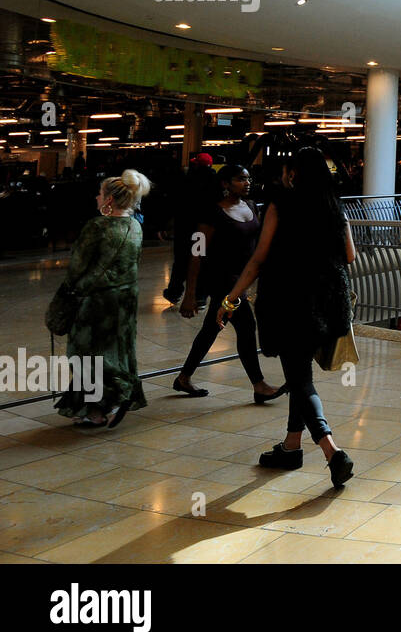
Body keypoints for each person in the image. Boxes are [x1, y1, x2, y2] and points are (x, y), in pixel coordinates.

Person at [218, 147, 357, 489]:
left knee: (299, 379)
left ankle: (332, 451)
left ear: (293, 174)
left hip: (289, 301)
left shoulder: (280, 206)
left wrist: (230, 299)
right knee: (300, 373)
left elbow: (258, 259)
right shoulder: (334, 208)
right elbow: (350, 256)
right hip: (327, 304)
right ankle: (291, 447)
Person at [174, 165, 286, 403]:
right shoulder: (212, 212)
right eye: (240, 179)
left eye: (248, 179)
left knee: (211, 328)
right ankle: (259, 385)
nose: (247, 183)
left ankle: (184, 378)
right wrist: (190, 293)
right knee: (246, 327)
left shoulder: (252, 206)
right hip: (221, 279)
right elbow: (197, 253)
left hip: (242, 278)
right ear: (225, 184)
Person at [52, 170, 152, 428]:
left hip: (95, 301)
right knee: (118, 350)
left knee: (83, 354)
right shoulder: (136, 226)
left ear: (108, 200)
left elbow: (77, 267)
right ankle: (103, 406)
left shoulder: (97, 226)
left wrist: (67, 295)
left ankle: (114, 395)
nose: (97, 197)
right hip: (126, 298)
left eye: (100, 193)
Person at [163, 155, 220, 306]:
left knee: (181, 261)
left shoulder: (185, 180)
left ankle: (174, 293)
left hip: (184, 229)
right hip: (202, 230)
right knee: (200, 259)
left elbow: (173, 203)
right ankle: (200, 296)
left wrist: (165, 226)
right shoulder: (215, 182)